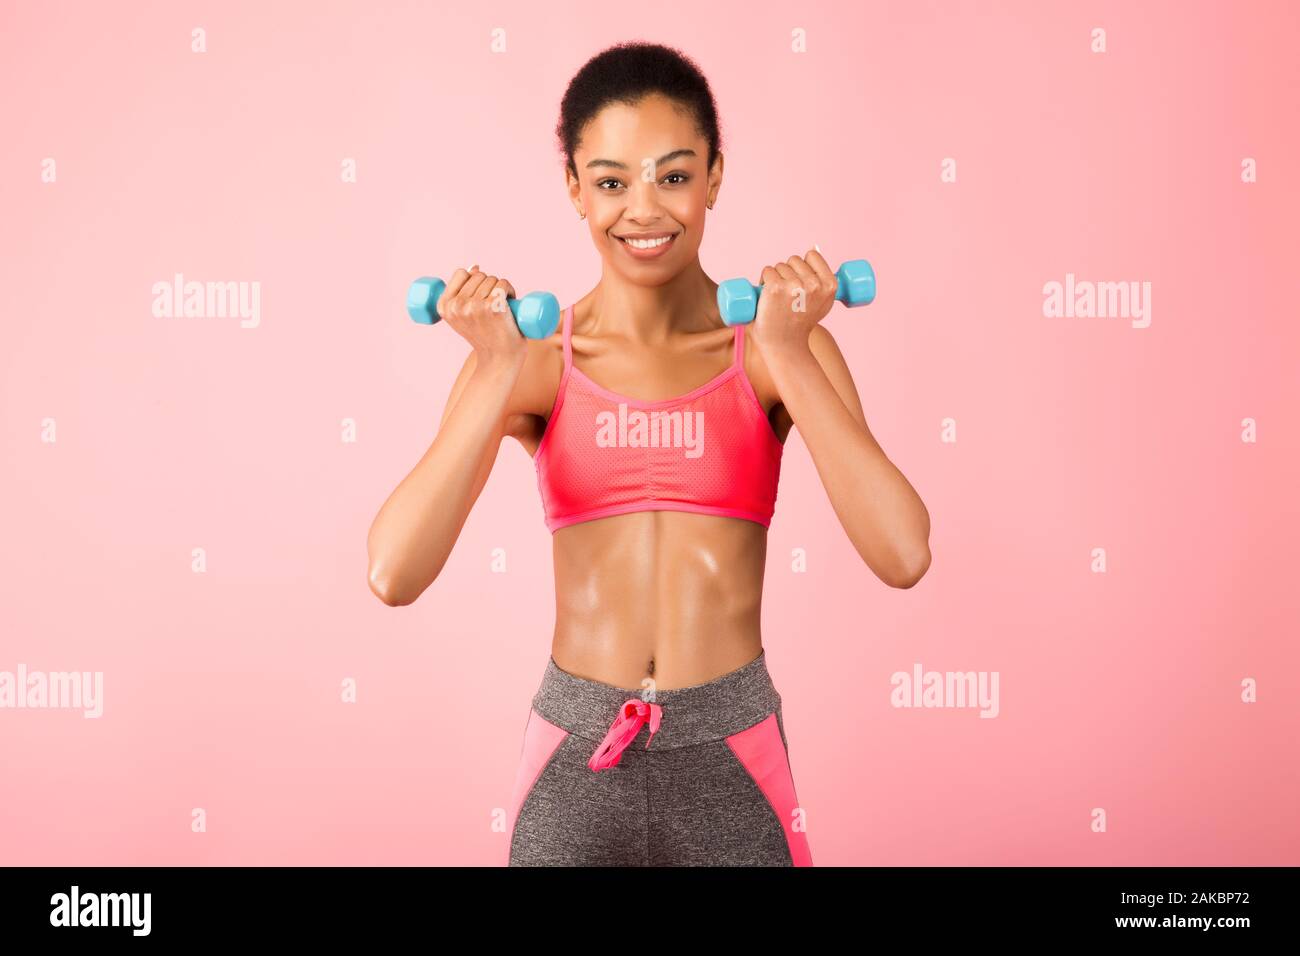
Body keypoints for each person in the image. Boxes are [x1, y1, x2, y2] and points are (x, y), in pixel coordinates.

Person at [366, 41, 931, 866]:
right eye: (610, 181)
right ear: (574, 188)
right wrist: (491, 366)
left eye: (673, 176)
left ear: (714, 176)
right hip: (575, 757)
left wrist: (791, 348)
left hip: (731, 750)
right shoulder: (532, 357)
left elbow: (905, 552)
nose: (644, 209)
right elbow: (393, 572)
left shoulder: (775, 349)